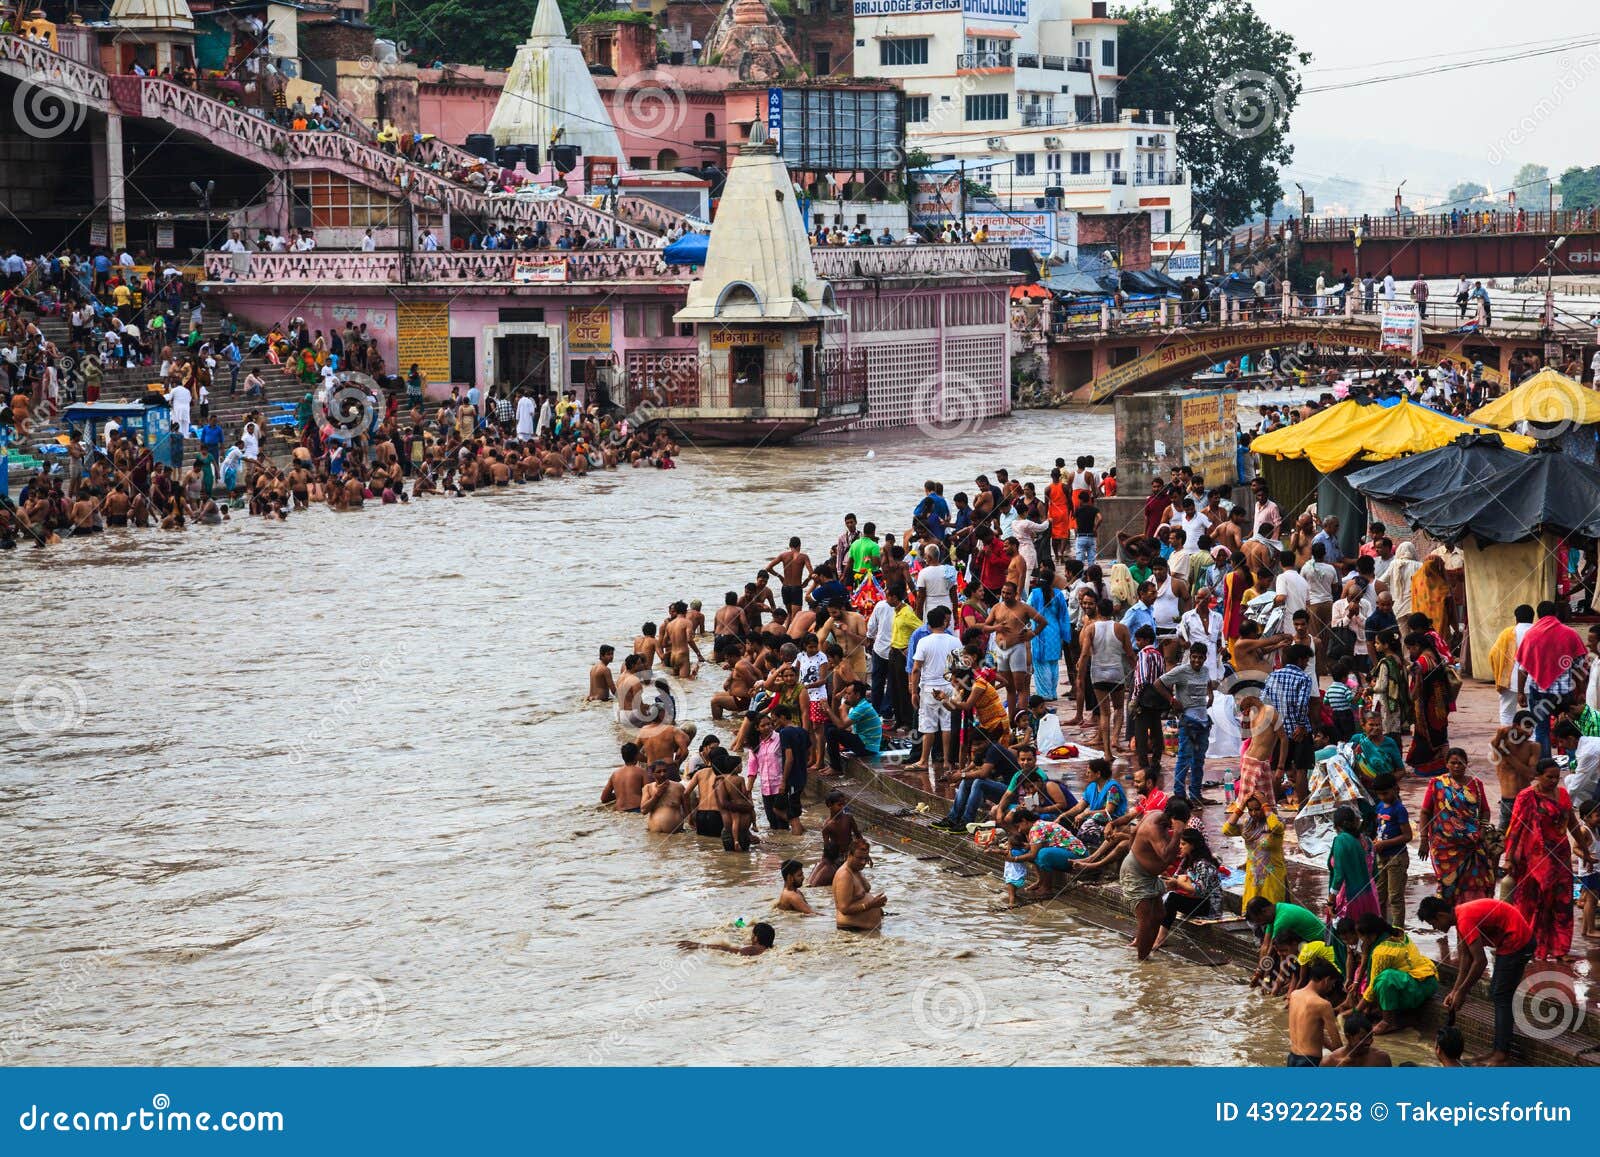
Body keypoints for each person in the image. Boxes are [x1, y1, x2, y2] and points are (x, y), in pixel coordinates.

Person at [1418, 895, 1535, 1066]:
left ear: (1441, 916)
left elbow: (1480, 962)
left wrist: (1463, 993)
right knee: (1498, 992)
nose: (1436, 928)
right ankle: (1498, 1050)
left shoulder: (1464, 919)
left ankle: (1501, 1053)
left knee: (1501, 995)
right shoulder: (1460, 917)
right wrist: (1455, 991)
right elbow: (1466, 959)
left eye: (1433, 924)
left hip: (1517, 940)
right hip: (1509, 940)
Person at [1504, 757, 1594, 960]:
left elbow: (1571, 822)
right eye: (1549, 777)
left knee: (1561, 902)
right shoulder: (1526, 797)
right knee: (1537, 903)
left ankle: (1560, 949)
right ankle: (1535, 947)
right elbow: (1515, 828)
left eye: (1557, 777)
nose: (1554, 781)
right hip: (1535, 858)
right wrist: (1509, 858)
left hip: (1560, 856)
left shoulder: (1562, 794)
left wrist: (1585, 851)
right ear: (1538, 776)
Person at [1418, 747, 1495, 906]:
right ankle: (1449, 917)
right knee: (1448, 884)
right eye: (1453, 763)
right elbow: (1425, 812)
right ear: (1446, 764)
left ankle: (1471, 914)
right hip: (1444, 846)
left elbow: (1485, 811)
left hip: (1471, 844)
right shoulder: (1437, 784)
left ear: (1467, 764)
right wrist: (1423, 839)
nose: (1457, 766)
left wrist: (1482, 830)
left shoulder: (1476, 784)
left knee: (1474, 883)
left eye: (1461, 763)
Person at [1120, 798, 1191, 960]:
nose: (1185, 825)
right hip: (1136, 874)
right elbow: (1166, 856)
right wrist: (1178, 832)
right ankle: (1142, 961)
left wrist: (1138, 852)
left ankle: (1144, 949)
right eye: (1184, 822)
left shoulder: (1157, 815)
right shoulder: (1154, 828)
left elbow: (1133, 831)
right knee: (1146, 920)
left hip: (1148, 874)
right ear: (1174, 819)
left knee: (1159, 914)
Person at [1353, 913, 1437, 1035]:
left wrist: (1356, 1012)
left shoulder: (1381, 952)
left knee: (1384, 979)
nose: (1361, 941)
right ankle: (1399, 1016)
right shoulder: (1398, 933)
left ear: (1370, 936)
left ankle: (1388, 1022)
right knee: (1385, 979)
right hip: (1429, 981)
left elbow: (1373, 985)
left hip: (1418, 988)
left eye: (1361, 937)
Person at [1152, 828, 1223, 949]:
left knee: (1171, 898)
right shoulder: (1187, 859)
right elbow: (1175, 879)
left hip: (1209, 907)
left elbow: (1199, 889)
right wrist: (1166, 879)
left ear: (1193, 846)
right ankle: (1151, 934)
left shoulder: (1203, 864)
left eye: (1183, 844)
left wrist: (1178, 882)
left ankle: (1159, 939)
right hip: (1196, 900)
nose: (1180, 847)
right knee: (1159, 896)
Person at [1224, 793, 1288, 906]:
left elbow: (1276, 827)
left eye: (1257, 809)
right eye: (1250, 810)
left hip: (1272, 877)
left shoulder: (1277, 822)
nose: (1253, 813)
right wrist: (1241, 806)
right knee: (1253, 913)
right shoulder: (1248, 826)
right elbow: (1226, 830)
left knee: (1272, 911)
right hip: (1253, 878)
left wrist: (1265, 806)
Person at [1405, 631, 1455, 775]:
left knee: (1429, 736)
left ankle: (1432, 767)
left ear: (1417, 646)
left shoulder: (1423, 660)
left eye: (1410, 648)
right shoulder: (1434, 655)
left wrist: (1407, 667)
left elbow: (1416, 675)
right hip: (1439, 702)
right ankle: (1446, 764)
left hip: (1428, 705)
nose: (1409, 651)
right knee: (1440, 734)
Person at [1369, 773, 1412, 928]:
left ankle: (1398, 930)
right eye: (1379, 794)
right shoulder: (1380, 807)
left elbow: (1407, 835)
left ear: (1395, 789)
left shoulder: (1399, 809)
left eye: (1385, 793)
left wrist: (1385, 843)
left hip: (1397, 857)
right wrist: (1376, 841)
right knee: (1379, 895)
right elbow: (1381, 829)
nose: (1382, 797)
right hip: (1382, 857)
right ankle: (1381, 927)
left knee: (1395, 896)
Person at [1285, 959, 1343, 1067]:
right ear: (1326, 980)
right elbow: (1337, 1045)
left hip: (1292, 1058)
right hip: (1310, 1061)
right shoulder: (1323, 1004)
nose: (1331, 988)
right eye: (1332, 984)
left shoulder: (1294, 995)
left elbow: (1309, 1031)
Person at [1327, 804, 1378, 924]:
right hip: (1368, 894)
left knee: (1347, 935)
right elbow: (1376, 872)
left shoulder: (1341, 840)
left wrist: (1331, 900)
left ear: (1336, 826)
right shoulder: (1365, 841)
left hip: (1347, 896)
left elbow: (1339, 875)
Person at [833, 838, 886, 931]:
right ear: (849, 855)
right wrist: (871, 905)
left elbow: (864, 893)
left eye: (865, 858)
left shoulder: (856, 870)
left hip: (862, 932)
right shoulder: (845, 875)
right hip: (852, 932)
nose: (863, 862)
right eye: (859, 858)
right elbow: (844, 909)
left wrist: (877, 910)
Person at [1325, 1010, 1391, 1067]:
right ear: (1348, 1037)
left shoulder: (1382, 1058)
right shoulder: (1330, 1062)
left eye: (1370, 1037)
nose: (1369, 1042)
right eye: (1362, 1038)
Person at [599, 742, 646, 812]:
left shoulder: (615, 774)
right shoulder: (641, 772)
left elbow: (604, 798)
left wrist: (620, 794)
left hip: (620, 812)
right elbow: (650, 791)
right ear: (637, 756)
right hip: (637, 809)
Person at [677, 923, 775, 956]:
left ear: (756, 938)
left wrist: (699, 945)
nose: (751, 937)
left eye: (752, 934)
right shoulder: (768, 948)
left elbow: (726, 949)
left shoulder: (752, 949)